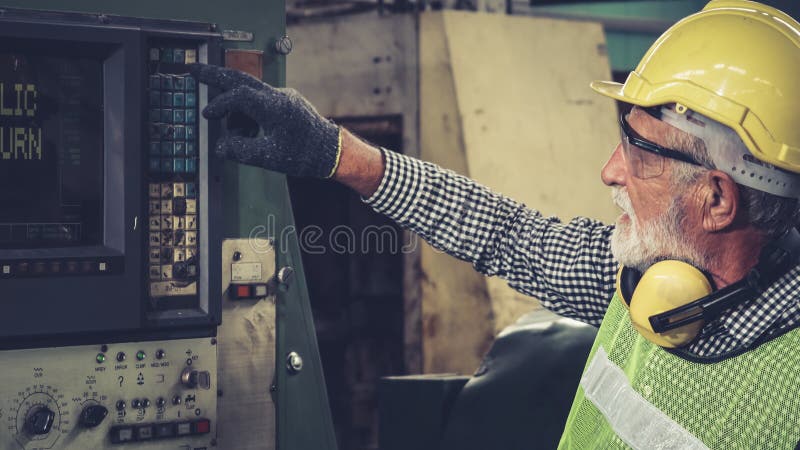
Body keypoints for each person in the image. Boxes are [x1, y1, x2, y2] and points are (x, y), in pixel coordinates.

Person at [192, 0, 800, 447]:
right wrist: (335, 153)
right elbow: (503, 232)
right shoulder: (638, 284)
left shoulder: (786, 402)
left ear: (716, 200)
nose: (610, 171)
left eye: (640, 155)